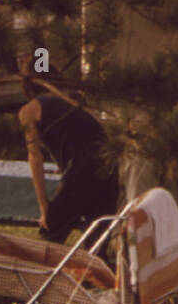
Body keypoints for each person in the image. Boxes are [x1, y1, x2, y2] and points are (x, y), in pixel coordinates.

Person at [20, 88, 120, 244]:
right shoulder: (73, 102)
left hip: (82, 171)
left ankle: (45, 267)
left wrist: (44, 205)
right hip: (109, 168)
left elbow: (35, 157)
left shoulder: (29, 110)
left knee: (50, 234)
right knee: (97, 242)